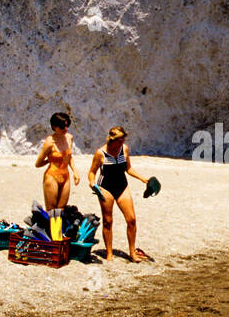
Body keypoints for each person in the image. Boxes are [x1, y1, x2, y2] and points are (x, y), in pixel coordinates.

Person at [88, 126, 152, 262]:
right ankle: (109, 253)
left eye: (124, 139)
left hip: (122, 186)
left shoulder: (125, 149)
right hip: (105, 187)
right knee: (107, 221)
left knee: (132, 220)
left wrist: (143, 178)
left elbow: (128, 168)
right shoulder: (100, 153)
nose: (123, 142)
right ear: (113, 139)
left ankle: (132, 252)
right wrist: (92, 183)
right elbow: (92, 172)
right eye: (120, 140)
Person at [35, 112, 79, 240]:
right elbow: (38, 163)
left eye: (67, 126)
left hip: (65, 176)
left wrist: (75, 172)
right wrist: (50, 160)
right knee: (51, 211)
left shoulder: (69, 138)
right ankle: (54, 238)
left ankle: (58, 236)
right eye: (62, 127)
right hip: (51, 176)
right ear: (54, 127)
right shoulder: (50, 142)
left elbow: (69, 157)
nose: (65, 129)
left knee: (61, 209)